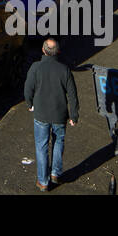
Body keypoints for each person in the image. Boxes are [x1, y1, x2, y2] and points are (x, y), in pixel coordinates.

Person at [24, 37, 78, 190]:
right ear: (58, 52)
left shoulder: (35, 67)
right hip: (59, 115)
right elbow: (73, 95)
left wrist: (30, 104)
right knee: (58, 142)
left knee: (41, 147)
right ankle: (55, 173)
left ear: (43, 50)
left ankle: (43, 181)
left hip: (41, 114)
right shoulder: (64, 70)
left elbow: (28, 89)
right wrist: (74, 115)